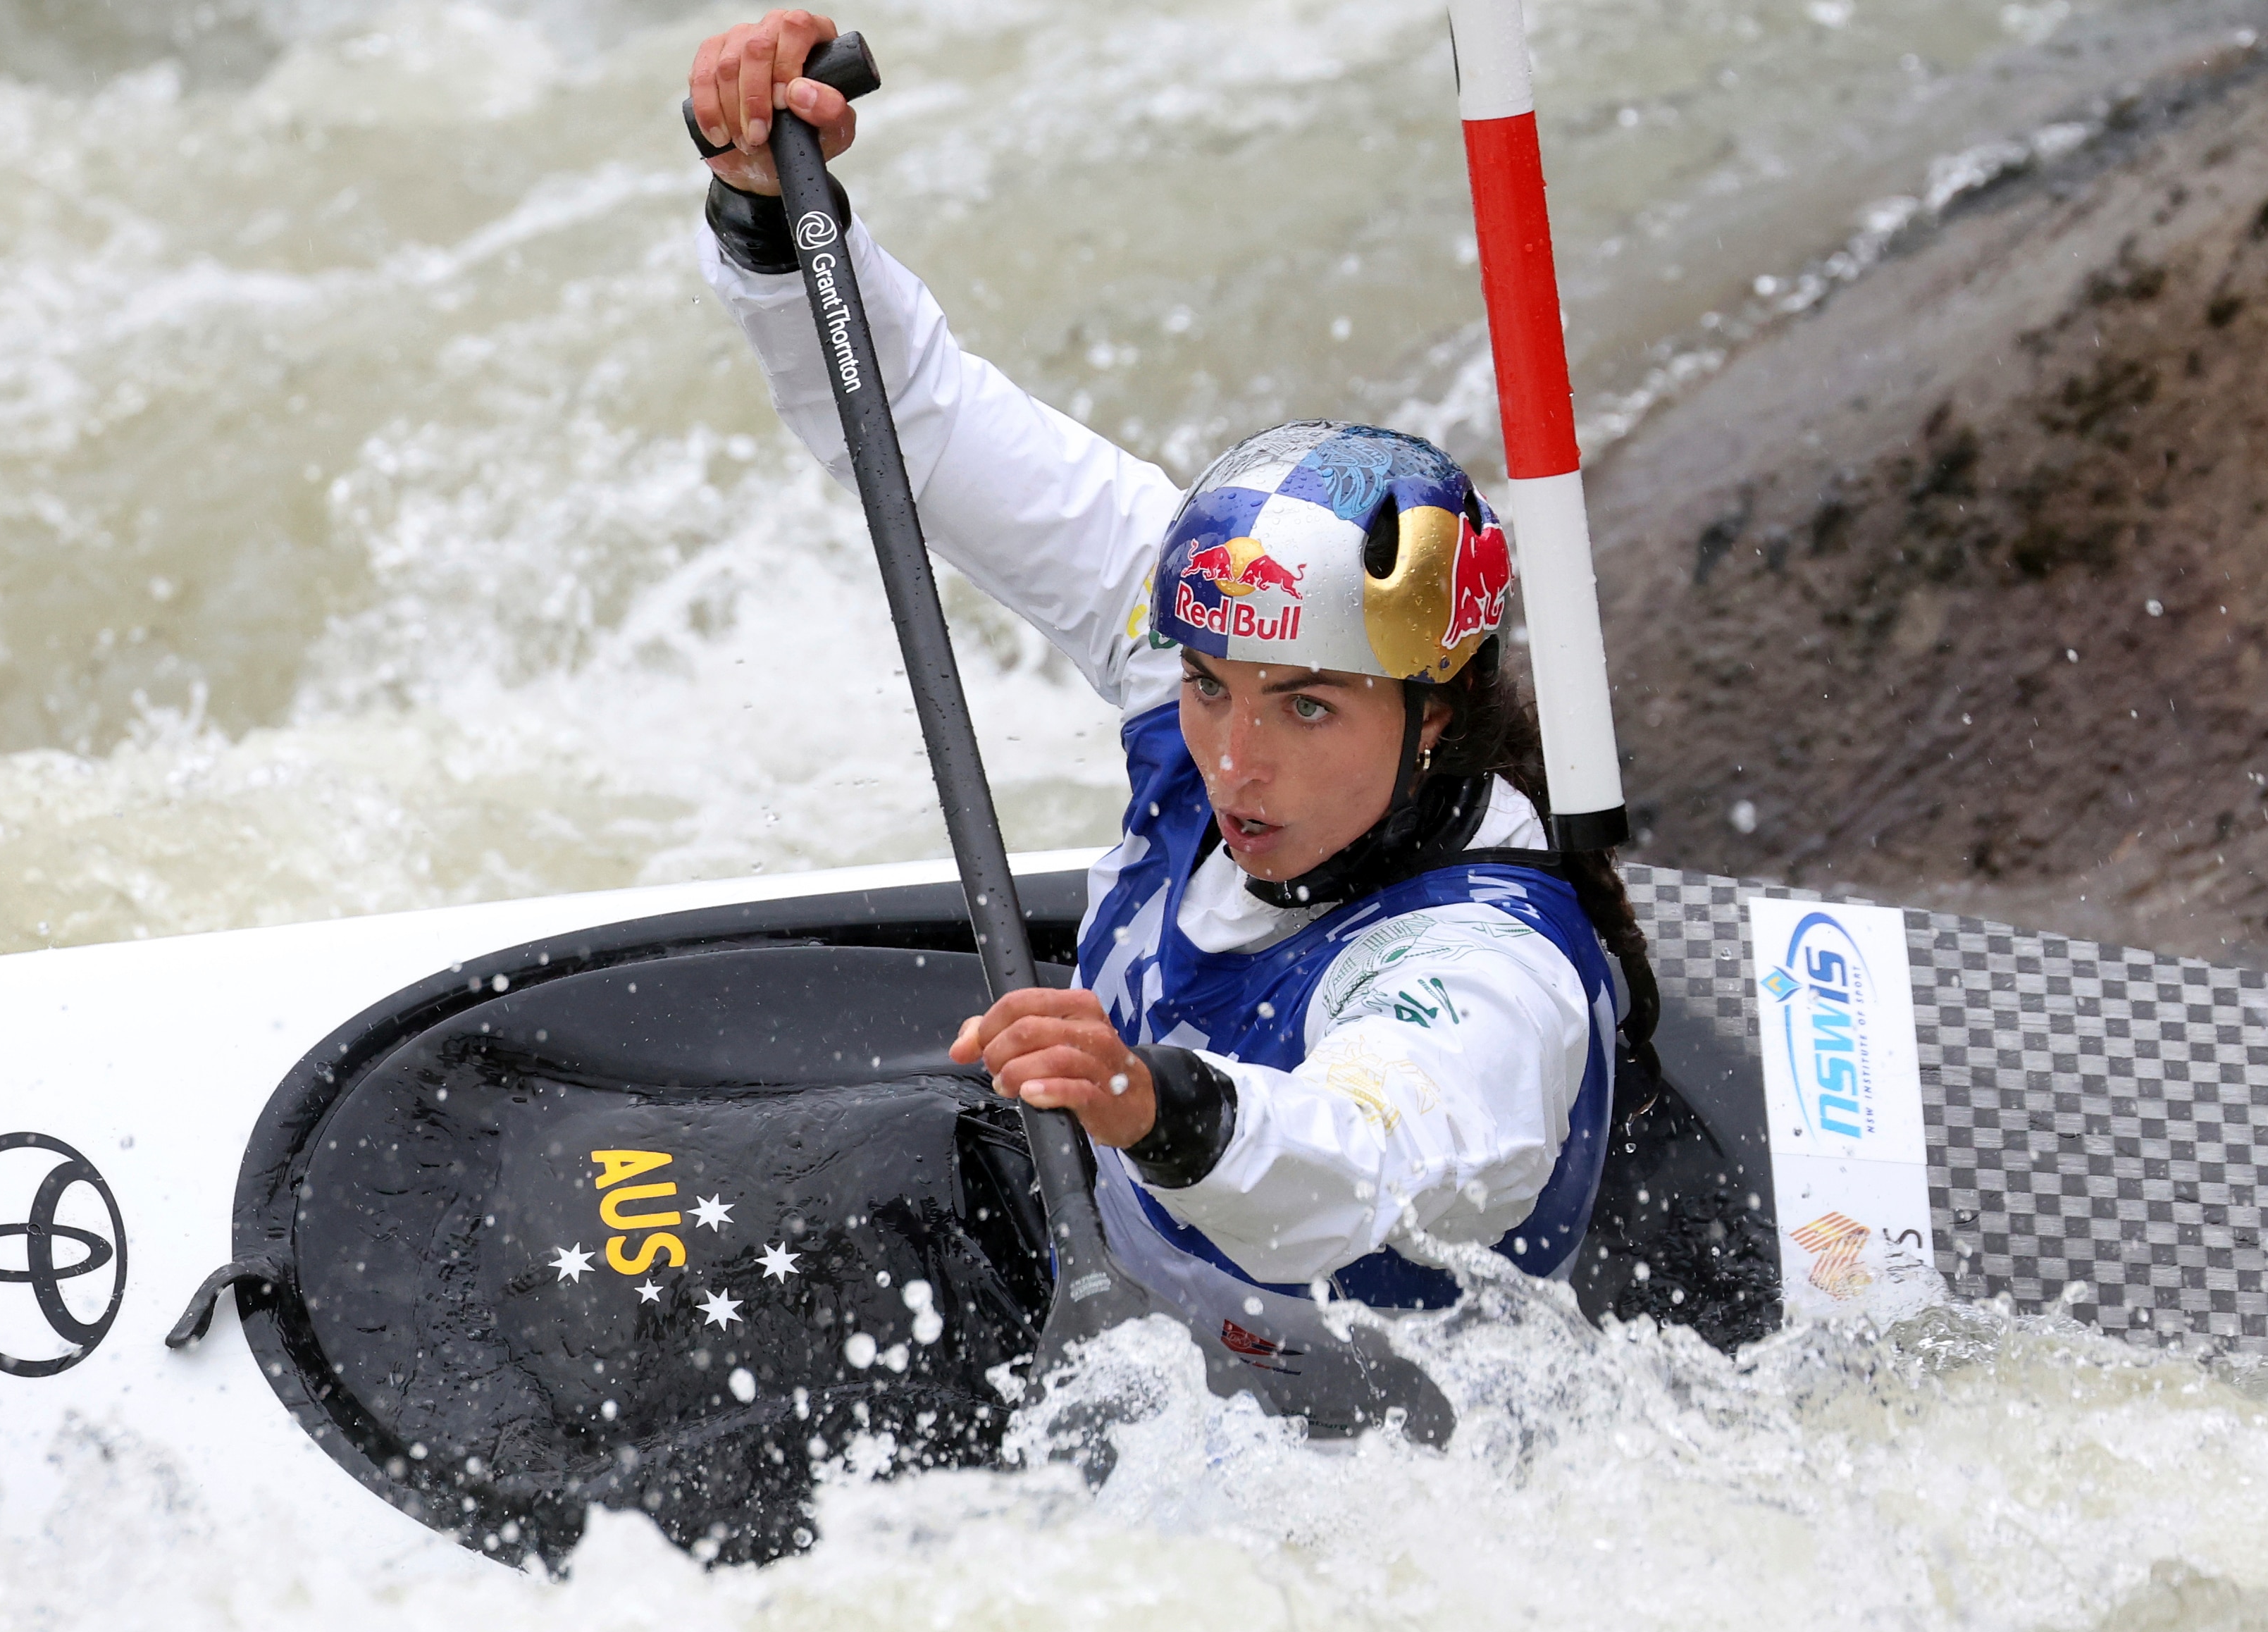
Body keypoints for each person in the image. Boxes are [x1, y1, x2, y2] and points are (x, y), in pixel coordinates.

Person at [686, 11, 1659, 1380]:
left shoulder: (1488, 962)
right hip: (1110, 1263)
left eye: (1305, 708)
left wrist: (1157, 1107)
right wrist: (774, 218)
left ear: (1433, 713)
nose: (1232, 757)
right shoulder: (1210, 640)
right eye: (1207, 686)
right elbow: (929, 420)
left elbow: (1374, 1152)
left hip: (1351, 1449)